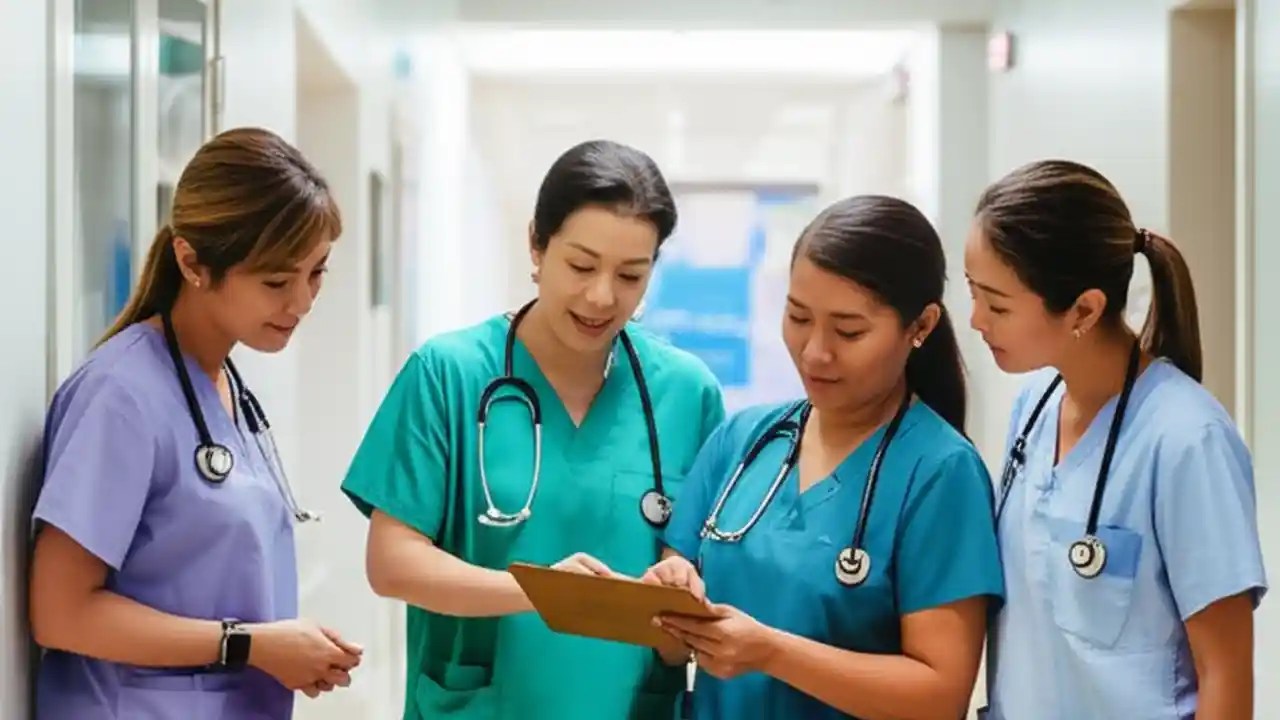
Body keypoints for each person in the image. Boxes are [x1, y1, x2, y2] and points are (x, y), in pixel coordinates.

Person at [340, 139, 726, 719]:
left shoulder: (686, 392)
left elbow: (697, 567)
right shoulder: (449, 374)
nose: (602, 296)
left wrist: (683, 580)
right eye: (580, 265)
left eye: (630, 275)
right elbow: (392, 563)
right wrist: (542, 592)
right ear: (536, 245)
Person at [28, 127, 364, 720]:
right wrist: (252, 645)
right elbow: (60, 613)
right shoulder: (121, 395)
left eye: (317, 273)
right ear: (193, 262)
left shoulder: (224, 384)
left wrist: (286, 648)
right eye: (277, 281)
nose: (303, 301)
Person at [642, 195, 1005, 719]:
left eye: (849, 331)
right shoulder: (742, 442)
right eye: (797, 316)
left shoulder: (940, 472)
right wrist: (670, 598)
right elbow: (674, 614)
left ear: (920, 326)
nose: (814, 351)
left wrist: (772, 652)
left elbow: (938, 695)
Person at [966, 159, 1267, 720]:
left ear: (1084, 309)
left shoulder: (1187, 439)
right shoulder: (1033, 410)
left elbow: (1224, 673)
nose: (976, 319)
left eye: (997, 304)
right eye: (972, 292)